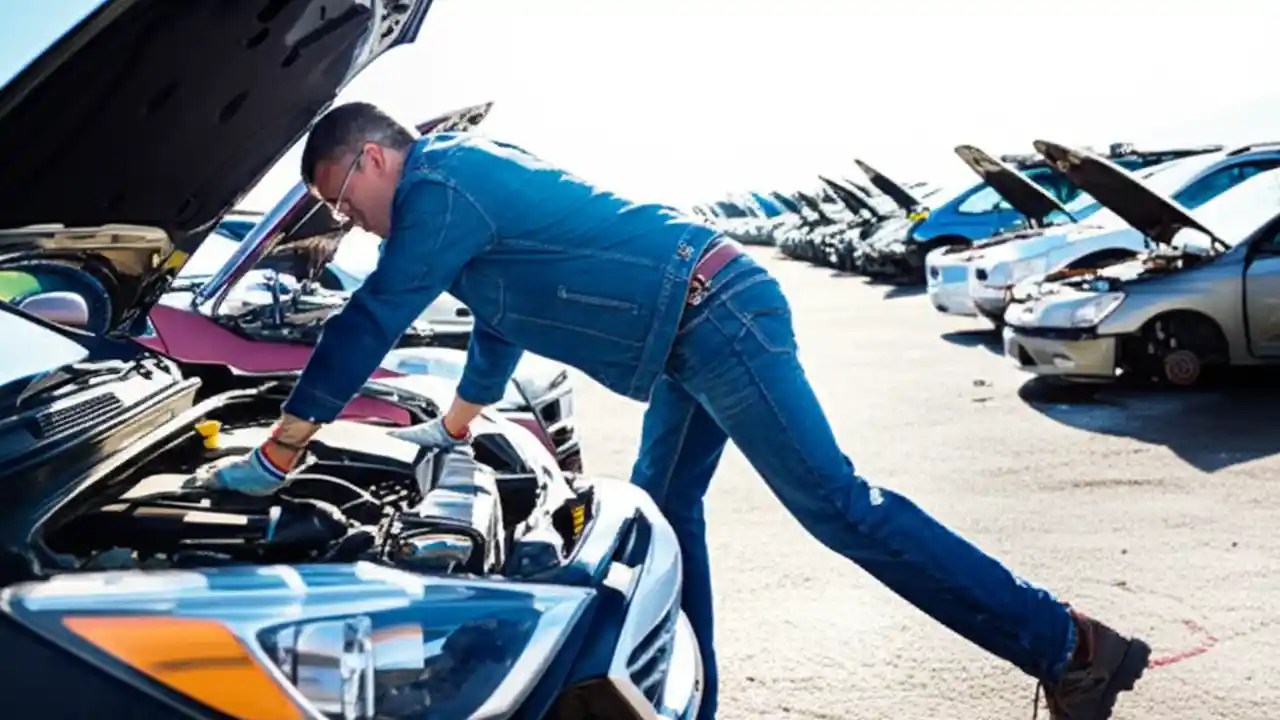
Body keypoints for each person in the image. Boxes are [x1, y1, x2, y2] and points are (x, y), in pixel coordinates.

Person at [201, 102, 1149, 720]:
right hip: (689, 330)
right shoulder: (461, 188)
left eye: (339, 200)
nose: (347, 222)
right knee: (660, 507)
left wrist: (287, 447)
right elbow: (498, 320)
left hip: (714, 316)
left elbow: (377, 312)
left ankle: (1070, 647)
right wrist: (450, 432)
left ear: (371, 157)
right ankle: (687, 705)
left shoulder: (438, 184)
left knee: (839, 507)